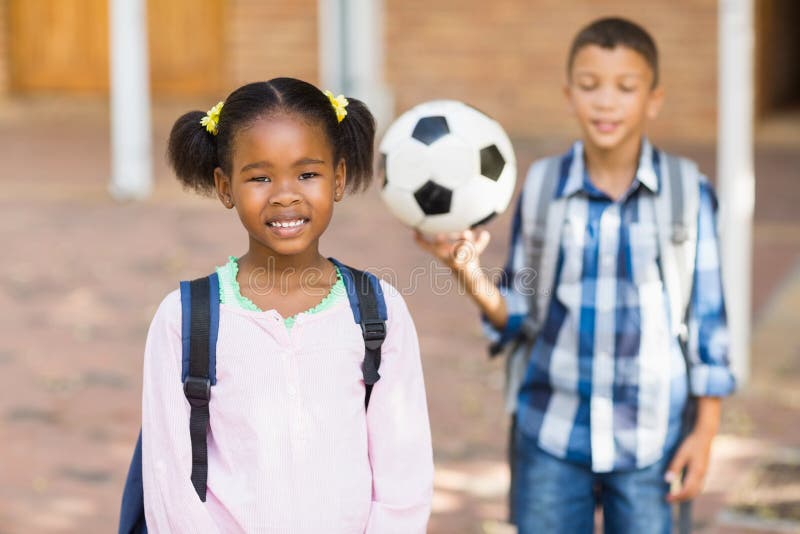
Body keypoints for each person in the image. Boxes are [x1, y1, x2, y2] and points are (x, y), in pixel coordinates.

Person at [415, 17, 734, 533]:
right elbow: (516, 312)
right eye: (590, 86)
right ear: (569, 95)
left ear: (653, 99)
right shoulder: (542, 186)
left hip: (654, 439)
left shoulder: (687, 192)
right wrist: (468, 272)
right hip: (551, 434)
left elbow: (709, 322)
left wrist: (706, 431)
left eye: (625, 88)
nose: (605, 102)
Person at [142, 77, 433, 533]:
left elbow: (404, 477)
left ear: (337, 179)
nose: (285, 194)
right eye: (259, 177)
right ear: (224, 187)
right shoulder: (185, 318)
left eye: (307, 173)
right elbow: (167, 484)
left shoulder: (377, 311)